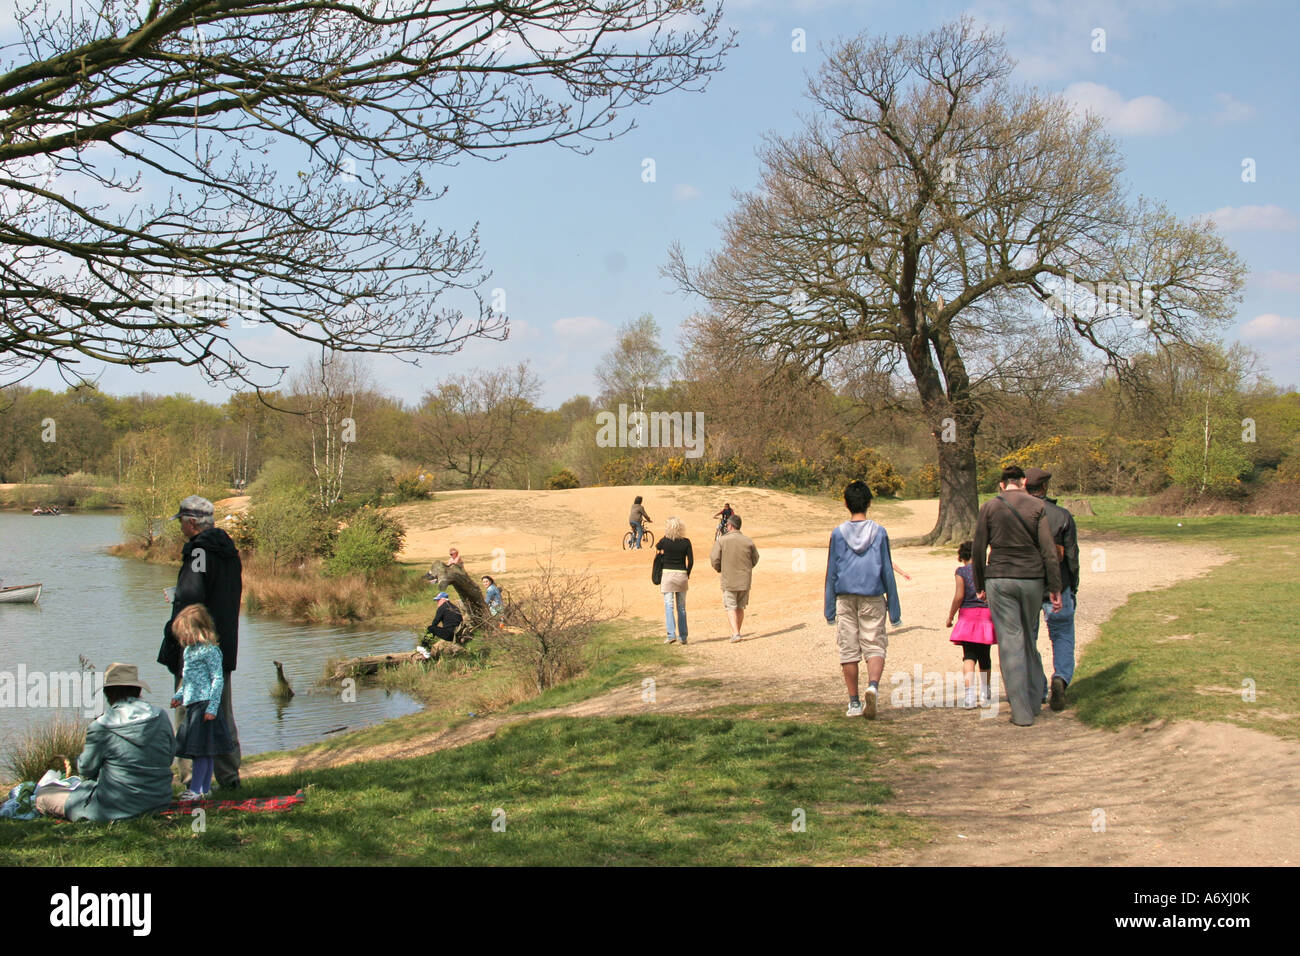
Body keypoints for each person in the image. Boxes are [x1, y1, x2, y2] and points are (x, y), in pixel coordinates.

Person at [157, 494, 242, 789]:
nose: (181, 526)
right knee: (221, 711)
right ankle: (229, 777)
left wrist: (177, 607)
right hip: (223, 646)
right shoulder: (229, 552)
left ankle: (194, 782)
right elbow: (217, 596)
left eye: (181, 521)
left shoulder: (197, 552)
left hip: (196, 647)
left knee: (188, 714)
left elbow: (192, 600)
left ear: (192, 522)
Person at [972, 466, 1063, 726]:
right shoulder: (1037, 507)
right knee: (1028, 640)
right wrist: (1054, 587)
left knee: (1010, 641)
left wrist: (979, 583)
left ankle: (1021, 711)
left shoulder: (989, 507)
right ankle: (1035, 701)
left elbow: (978, 548)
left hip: (999, 578)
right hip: (1032, 579)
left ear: (1002, 485)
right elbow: (1048, 549)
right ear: (1023, 482)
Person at [34, 663, 176, 821]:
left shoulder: (101, 726)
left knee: (43, 796)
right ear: (138, 690)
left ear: (108, 693)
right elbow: (169, 757)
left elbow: (86, 770)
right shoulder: (161, 716)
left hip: (115, 807)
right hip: (159, 800)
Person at [823, 480, 902, 718]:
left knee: (848, 649)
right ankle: (873, 687)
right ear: (869, 503)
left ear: (846, 503)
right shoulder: (879, 532)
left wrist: (829, 609)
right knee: (875, 644)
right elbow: (887, 570)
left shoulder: (838, 534)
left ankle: (854, 702)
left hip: (845, 596)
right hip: (873, 595)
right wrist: (894, 611)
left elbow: (832, 571)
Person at [1024, 467, 1080, 711]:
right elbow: (1072, 557)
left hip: (1028, 585)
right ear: (1045, 487)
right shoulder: (1062, 515)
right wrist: (1073, 585)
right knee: (1062, 634)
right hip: (1059, 585)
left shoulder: (1017, 514)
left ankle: (1038, 687)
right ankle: (1061, 678)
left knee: (1029, 639)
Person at [169, 604, 235, 800]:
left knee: (202, 752)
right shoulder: (189, 652)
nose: (182, 640)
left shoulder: (211, 651)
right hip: (192, 705)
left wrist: (213, 707)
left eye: (185, 634)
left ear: (199, 631)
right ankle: (203, 789)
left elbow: (217, 679)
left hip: (205, 705)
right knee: (201, 751)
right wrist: (179, 696)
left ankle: (198, 789)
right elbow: (188, 679)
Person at [946, 540, 996, 709]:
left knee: (969, 656)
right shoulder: (987, 571)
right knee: (985, 657)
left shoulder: (961, 571)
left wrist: (951, 615)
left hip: (968, 617)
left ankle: (969, 696)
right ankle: (986, 694)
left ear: (962, 556)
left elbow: (959, 595)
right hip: (986, 616)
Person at [709, 513, 759, 643]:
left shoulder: (722, 540)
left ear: (730, 526)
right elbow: (755, 559)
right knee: (740, 607)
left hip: (729, 579)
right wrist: (747, 568)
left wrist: (720, 568)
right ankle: (737, 631)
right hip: (744, 579)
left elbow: (714, 559)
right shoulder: (748, 541)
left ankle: (736, 633)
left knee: (730, 606)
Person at [655, 516, 694, 645]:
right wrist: (687, 573)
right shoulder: (686, 542)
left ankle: (671, 634)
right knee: (681, 607)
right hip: (681, 574)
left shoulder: (664, 541)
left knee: (669, 605)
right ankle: (683, 636)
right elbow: (691, 561)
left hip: (667, 575)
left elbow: (657, 546)